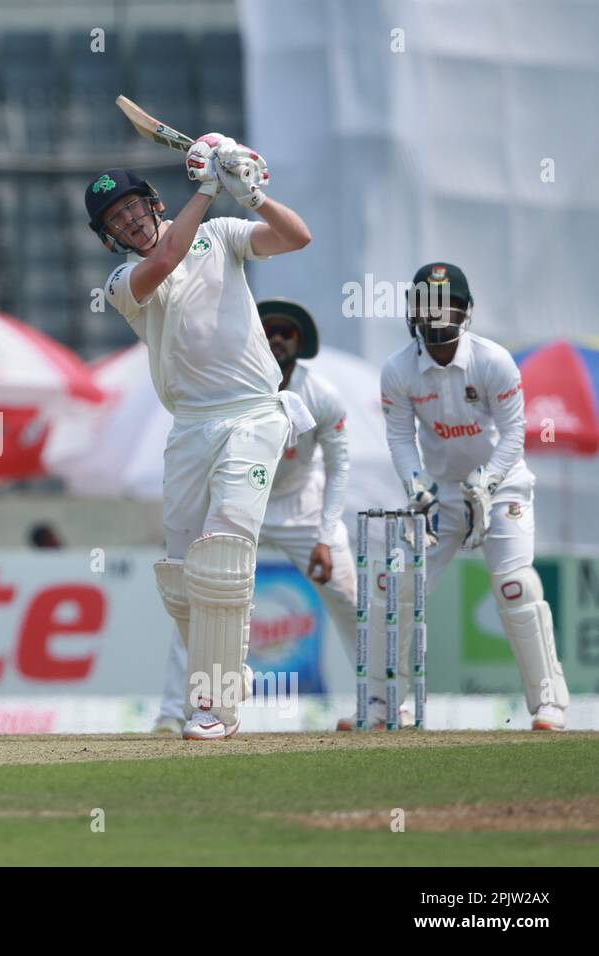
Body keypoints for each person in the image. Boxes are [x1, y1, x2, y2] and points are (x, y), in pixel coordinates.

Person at [87, 131, 314, 741]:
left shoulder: (221, 236)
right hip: (189, 426)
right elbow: (163, 263)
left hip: (252, 413)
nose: (131, 221)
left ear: (154, 203)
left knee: (222, 549)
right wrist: (211, 189)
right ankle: (221, 681)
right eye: (117, 219)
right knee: (182, 574)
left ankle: (214, 707)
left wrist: (253, 195)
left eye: (135, 206)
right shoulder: (122, 283)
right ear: (110, 237)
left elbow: (297, 237)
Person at [350, 262, 567, 730]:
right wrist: (416, 487)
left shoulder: (493, 361)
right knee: (398, 586)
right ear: (412, 313)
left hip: (501, 485)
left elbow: (514, 433)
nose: (436, 318)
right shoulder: (398, 370)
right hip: (441, 495)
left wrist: (486, 483)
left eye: (446, 307)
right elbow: (400, 438)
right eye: (426, 307)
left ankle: (549, 703)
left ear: (466, 312)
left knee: (515, 586)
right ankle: (386, 704)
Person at [153, 299, 356, 733]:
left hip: (301, 507)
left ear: (299, 344)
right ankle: (174, 711)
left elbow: (339, 466)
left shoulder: (321, 394)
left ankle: (376, 704)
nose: (278, 339)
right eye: (269, 332)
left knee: (350, 601)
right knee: (200, 597)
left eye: (288, 333)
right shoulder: (228, 386)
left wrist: (323, 534)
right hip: (242, 501)